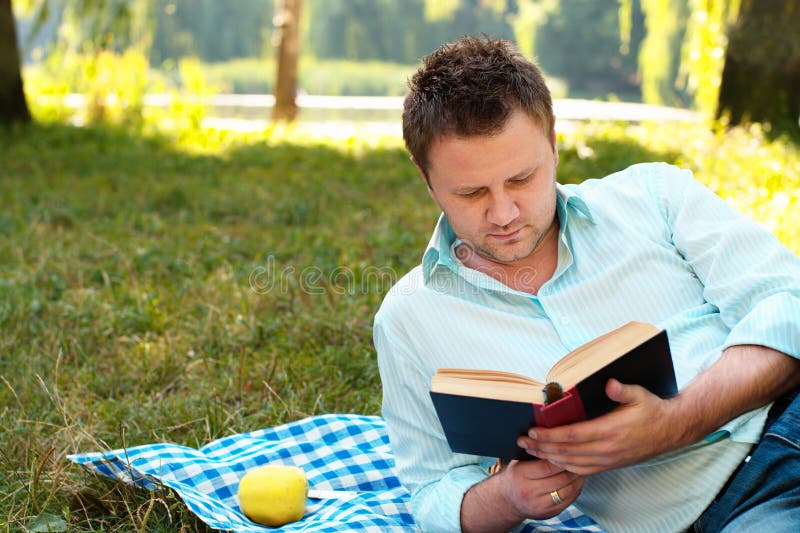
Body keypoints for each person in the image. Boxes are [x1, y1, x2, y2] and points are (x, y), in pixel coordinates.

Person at [373, 35, 800, 533]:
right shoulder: (409, 319)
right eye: (471, 193)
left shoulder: (654, 196)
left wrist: (675, 422)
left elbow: (788, 304)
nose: (504, 213)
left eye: (522, 179)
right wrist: (508, 496)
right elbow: (432, 495)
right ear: (426, 179)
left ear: (553, 145)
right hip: (740, 515)